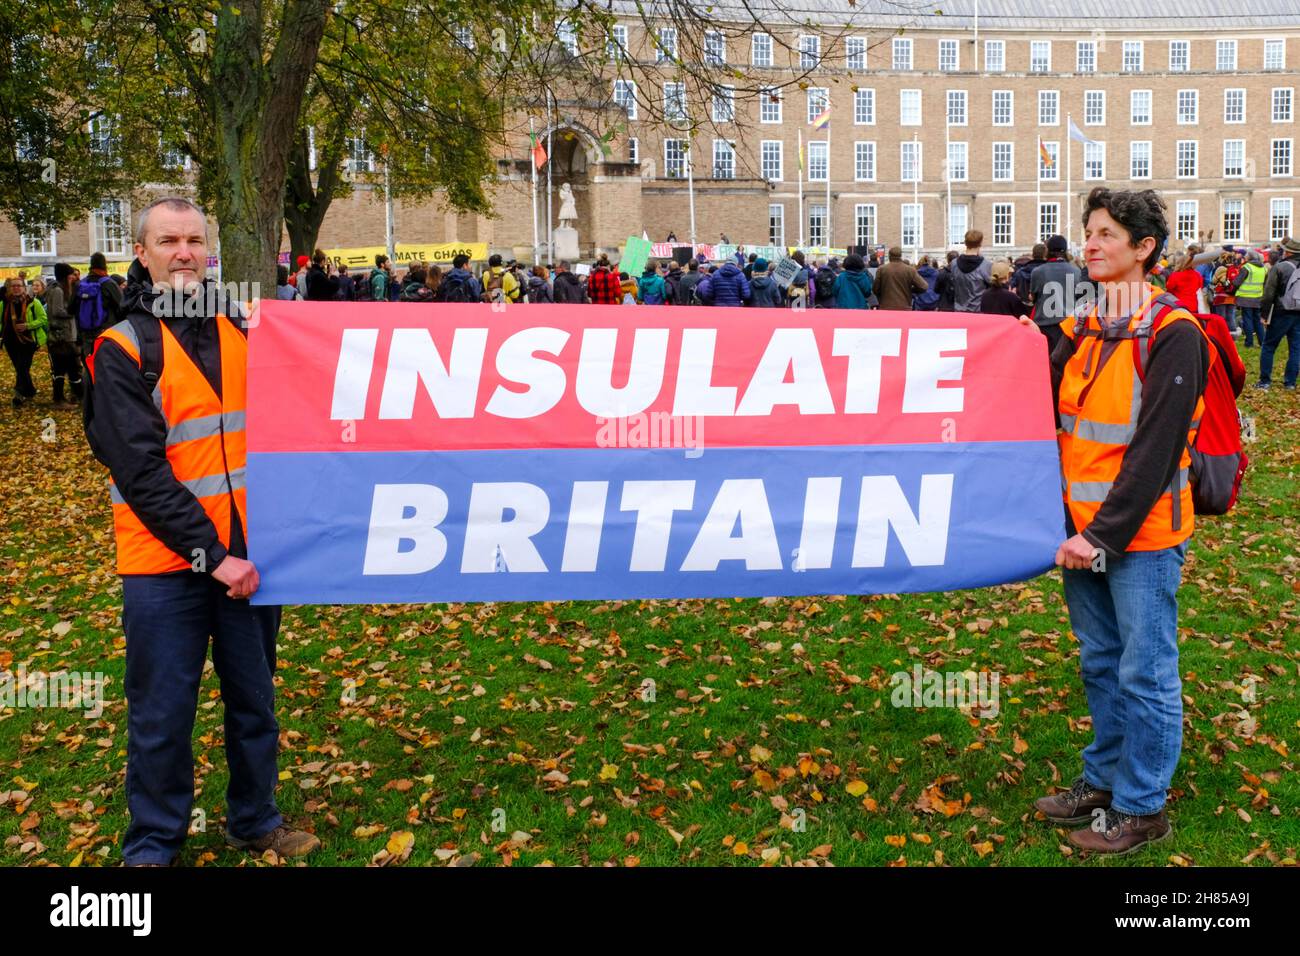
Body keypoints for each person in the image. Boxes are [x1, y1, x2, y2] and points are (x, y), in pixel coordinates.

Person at [83, 197, 319, 866]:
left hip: (250, 558)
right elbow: (141, 474)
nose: (183, 252)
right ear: (143, 251)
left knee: (254, 703)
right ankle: (154, 843)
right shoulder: (121, 349)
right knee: (161, 716)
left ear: (207, 250)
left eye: (193, 240)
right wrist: (211, 555)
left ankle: (254, 819)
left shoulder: (243, 327)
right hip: (165, 566)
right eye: (168, 241)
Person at [1027, 187, 1211, 855]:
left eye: (1106, 234)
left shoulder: (1174, 334)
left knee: (1146, 670)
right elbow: (1041, 403)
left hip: (1139, 537)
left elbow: (1155, 452)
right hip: (1082, 532)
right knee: (1102, 661)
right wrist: (1015, 348)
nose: (1091, 244)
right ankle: (1102, 779)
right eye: (1088, 233)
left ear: (1145, 249)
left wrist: (1098, 536)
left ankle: (1142, 807)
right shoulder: (1082, 325)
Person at [1256, 236, 1300, 390]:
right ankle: (1290, 383)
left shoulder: (1279, 268)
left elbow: (1268, 294)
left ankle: (1265, 381)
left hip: (1281, 312)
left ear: (1287, 252)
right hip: (1298, 313)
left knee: (1269, 346)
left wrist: (1264, 314)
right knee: (1296, 349)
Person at [1029, 235, 1084, 353]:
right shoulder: (1076, 271)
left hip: (1044, 326)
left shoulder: (1038, 272)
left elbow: (1033, 298)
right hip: (1068, 325)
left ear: (1048, 251)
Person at [2, 276, 48, 406]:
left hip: (28, 341)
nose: (16, 288)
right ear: (9, 288)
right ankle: (29, 390)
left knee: (22, 367)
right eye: (13, 286)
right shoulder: (4, 303)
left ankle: (18, 394)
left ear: (24, 287)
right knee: (20, 368)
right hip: (10, 341)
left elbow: (43, 319)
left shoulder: (33, 302)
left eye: (19, 285)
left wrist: (28, 325)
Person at [73, 252, 124, 360]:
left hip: (85, 333)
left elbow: (71, 309)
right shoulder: (109, 283)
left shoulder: (80, 284)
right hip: (106, 332)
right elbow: (123, 306)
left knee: (90, 364)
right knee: (108, 364)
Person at [45, 264, 83, 404]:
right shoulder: (58, 291)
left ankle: (75, 395)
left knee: (68, 367)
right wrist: (73, 312)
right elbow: (57, 311)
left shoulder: (61, 290)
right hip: (62, 336)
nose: (74, 277)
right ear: (66, 276)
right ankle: (60, 398)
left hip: (64, 335)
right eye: (71, 275)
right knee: (64, 367)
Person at [874, 246, 929, 311]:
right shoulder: (910, 270)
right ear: (900, 256)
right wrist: (911, 290)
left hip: (886, 307)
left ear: (889, 256)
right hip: (904, 307)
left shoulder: (882, 269)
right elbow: (924, 286)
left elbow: (875, 289)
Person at [951, 229, 992, 312]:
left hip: (958, 310)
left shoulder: (954, 263)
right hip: (978, 311)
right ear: (980, 243)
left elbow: (952, 285)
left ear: (965, 243)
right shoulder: (986, 265)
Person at [1235, 252, 1268, 348]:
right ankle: (1262, 342)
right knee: (1258, 320)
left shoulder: (1247, 267)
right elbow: (1265, 284)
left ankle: (1249, 343)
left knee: (1247, 320)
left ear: (1248, 258)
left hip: (1246, 298)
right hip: (1258, 297)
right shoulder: (1264, 268)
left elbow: (1237, 282)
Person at [1209, 251, 1243, 334]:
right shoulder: (1236, 269)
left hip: (1221, 296)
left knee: (1221, 316)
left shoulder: (1221, 269)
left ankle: (1221, 333)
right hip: (1232, 296)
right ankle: (1232, 333)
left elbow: (1213, 281)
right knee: (1230, 316)